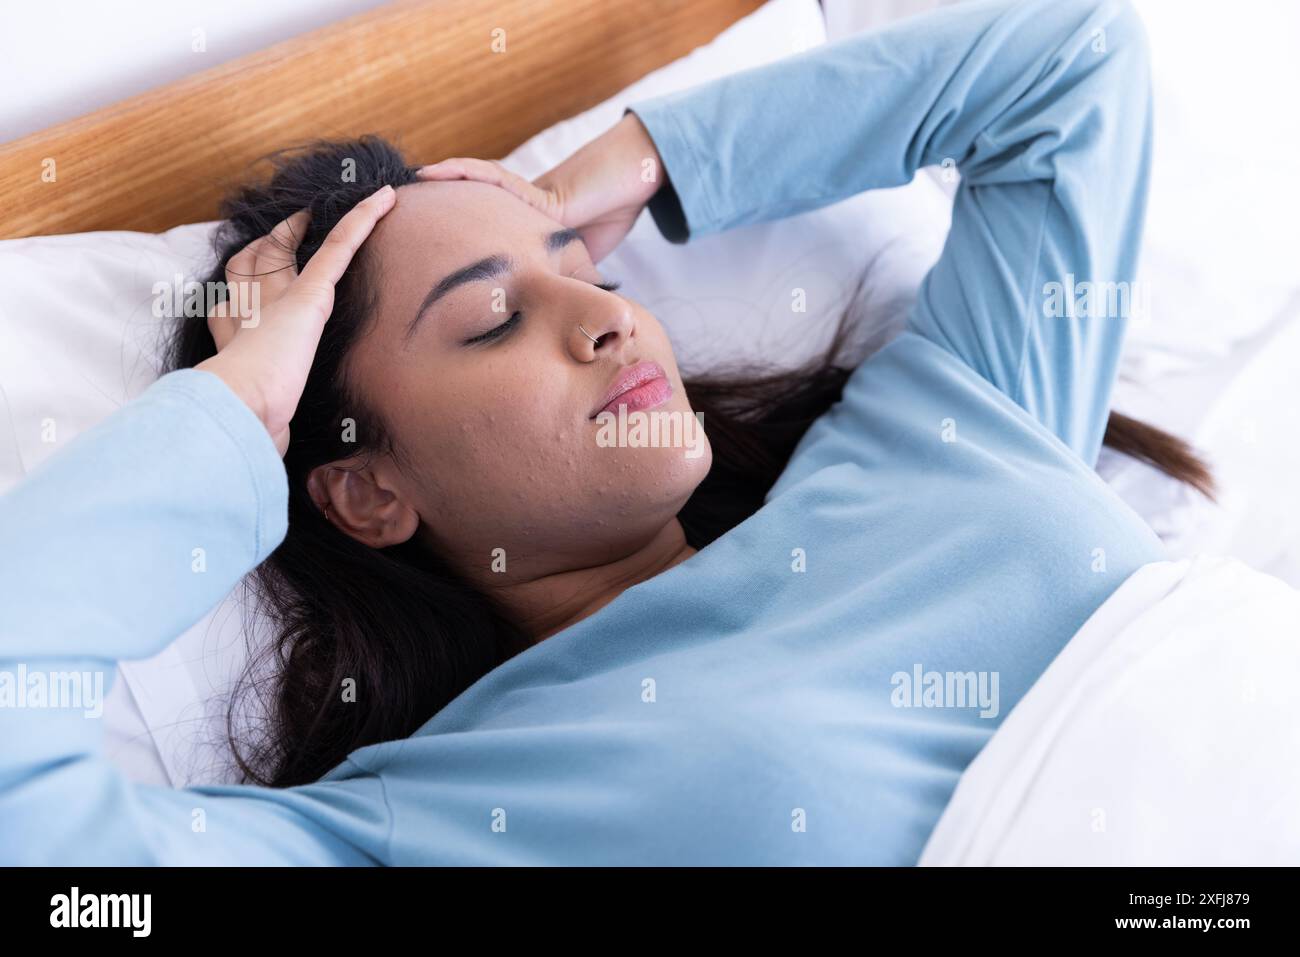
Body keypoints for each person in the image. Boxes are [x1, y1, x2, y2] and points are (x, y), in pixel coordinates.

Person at [1, 0, 1180, 864]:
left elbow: (1073, 63)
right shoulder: (433, 821)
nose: (609, 317)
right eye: (495, 318)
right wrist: (234, 412)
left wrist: (633, 168)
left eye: (582, 269)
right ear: (368, 493)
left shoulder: (942, 430)